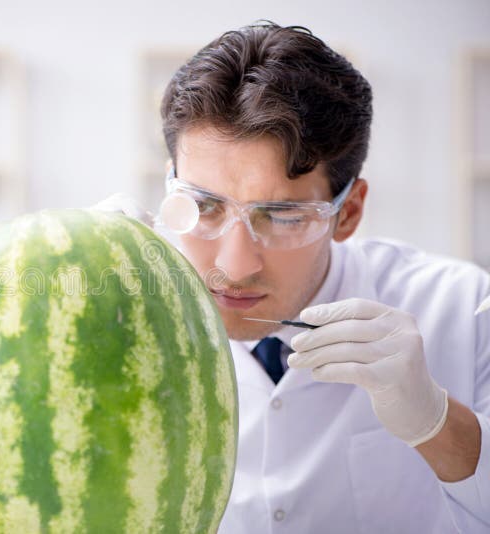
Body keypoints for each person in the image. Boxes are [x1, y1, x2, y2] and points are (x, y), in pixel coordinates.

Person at [107, 21, 490, 533]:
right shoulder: (124, 310)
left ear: (348, 212)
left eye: (282, 217)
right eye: (203, 205)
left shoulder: (463, 307)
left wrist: (436, 422)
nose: (234, 266)